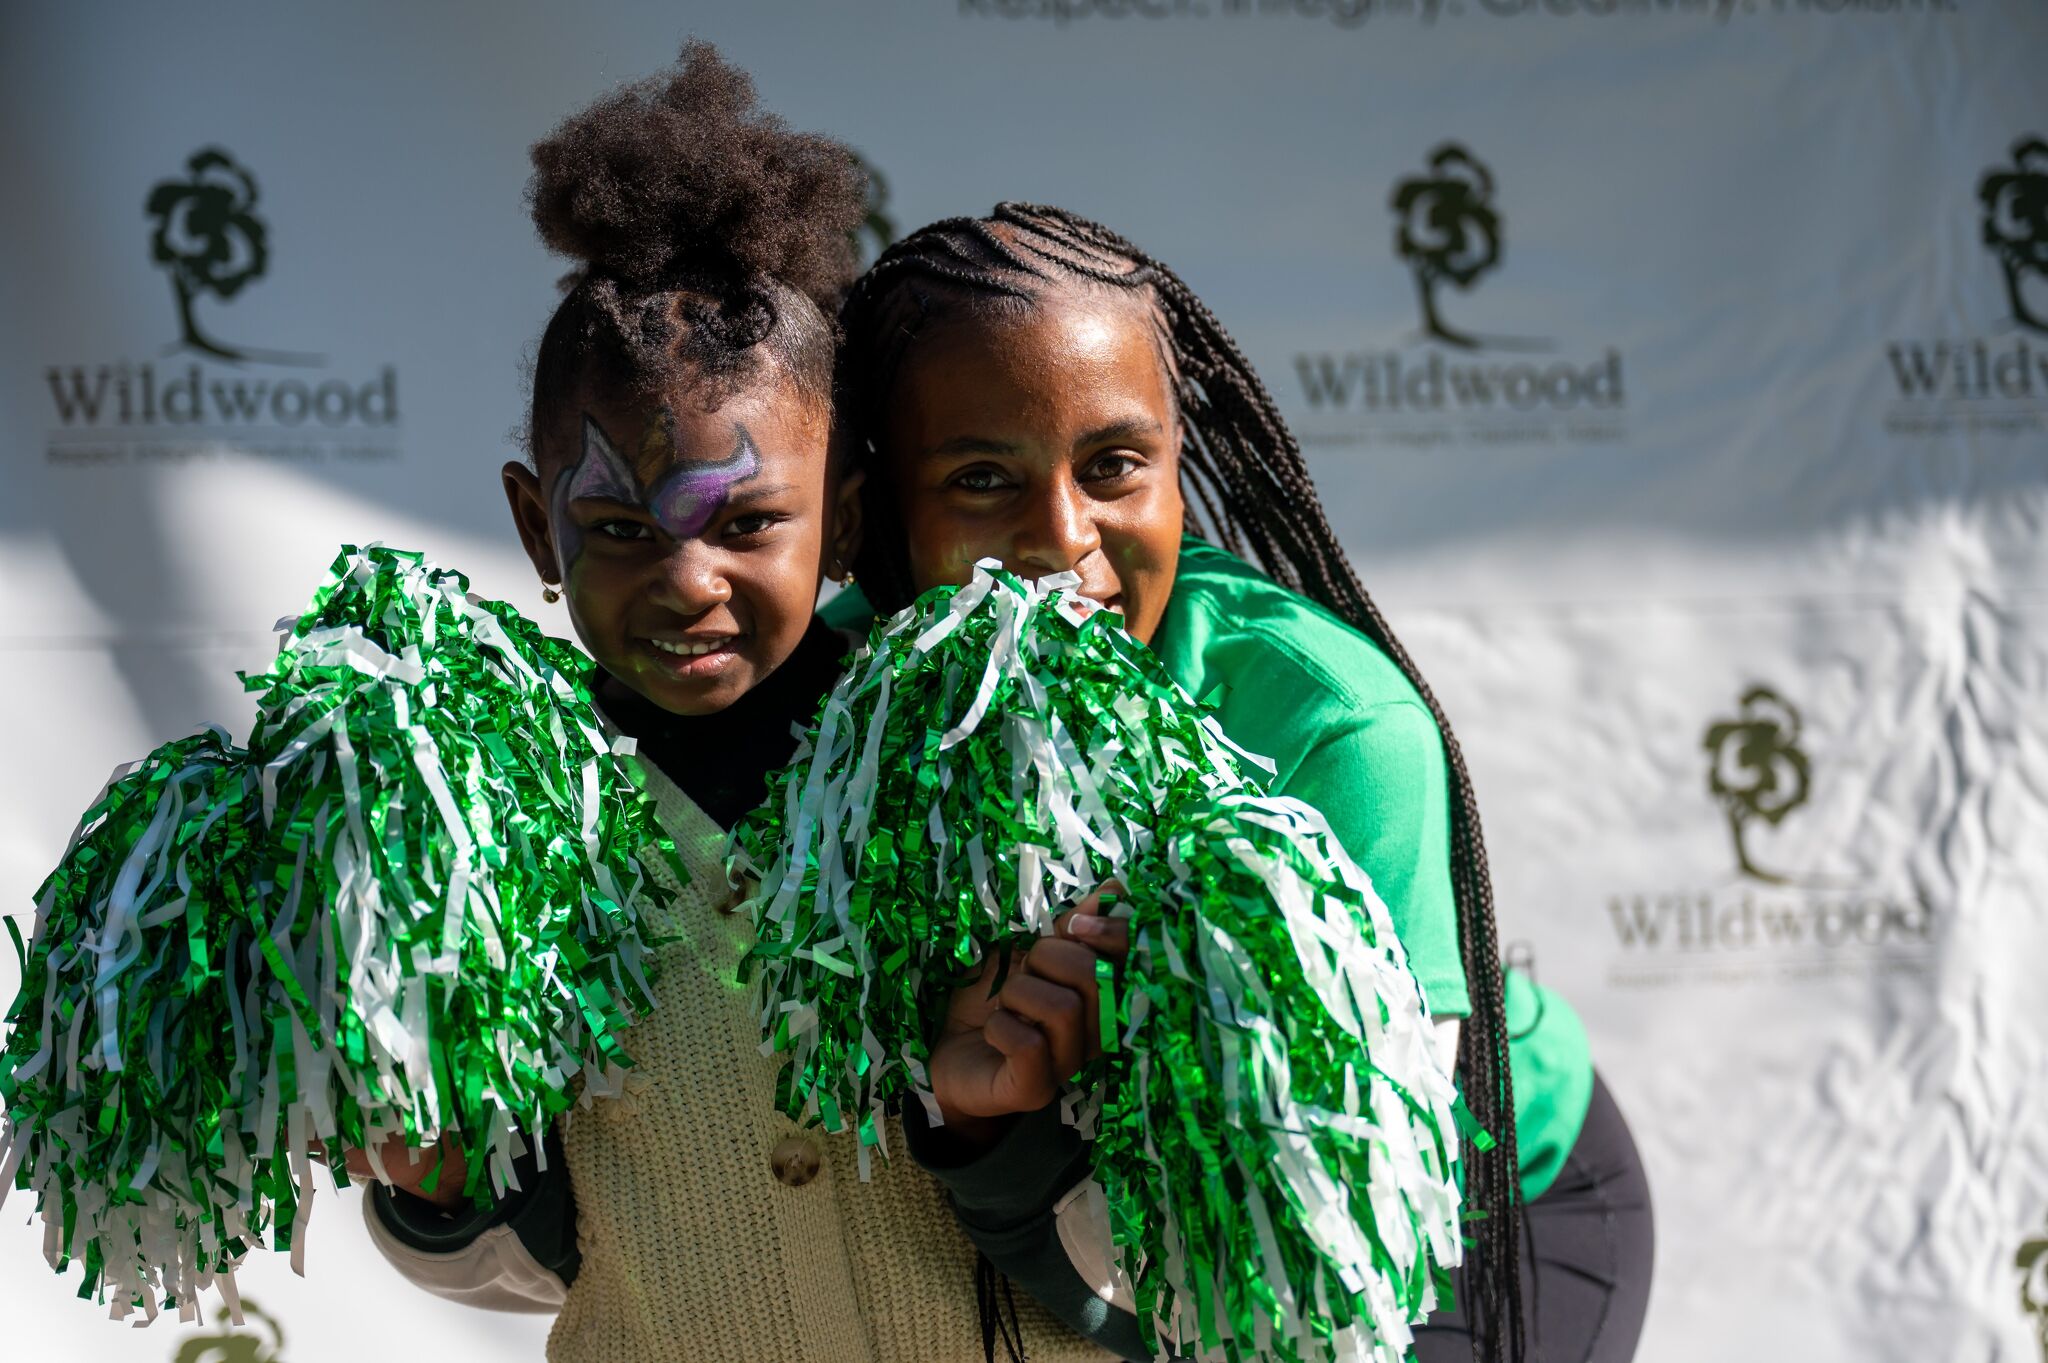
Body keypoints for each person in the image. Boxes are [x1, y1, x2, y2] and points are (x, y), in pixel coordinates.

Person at [355, 49, 1122, 1363]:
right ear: (537, 525)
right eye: (614, 524)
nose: (685, 580)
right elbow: (547, 1257)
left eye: (750, 521)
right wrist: (439, 1180)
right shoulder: (480, 818)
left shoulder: (988, 766)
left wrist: (998, 1133)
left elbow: (1153, 1246)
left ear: (848, 519)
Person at [821, 203, 1655, 1363]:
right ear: (879, 515)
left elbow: (1326, 1229)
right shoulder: (842, 692)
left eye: (1113, 465)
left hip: (1448, 1209)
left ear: (1178, 462)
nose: (1063, 537)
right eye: (977, 478)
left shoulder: (1332, 725)